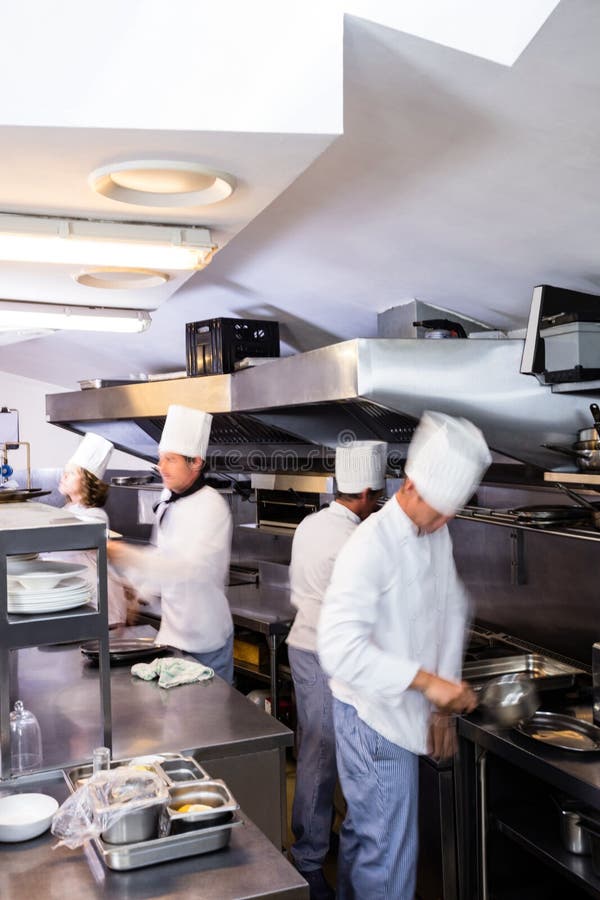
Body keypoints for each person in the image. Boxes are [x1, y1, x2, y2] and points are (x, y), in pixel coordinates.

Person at [318, 411, 492, 900]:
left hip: (399, 714)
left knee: (366, 843)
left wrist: (441, 703)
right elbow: (339, 648)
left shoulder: (433, 532)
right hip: (373, 721)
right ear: (410, 486)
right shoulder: (370, 545)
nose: (448, 519)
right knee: (389, 862)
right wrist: (425, 682)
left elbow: (451, 607)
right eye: (441, 507)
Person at [287, 441, 388, 900]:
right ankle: (308, 864)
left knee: (320, 751)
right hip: (326, 654)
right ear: (365, 493)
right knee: (322, 756)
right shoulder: (355, 540)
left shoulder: (311, 522)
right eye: (378, 496)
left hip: (306, 644)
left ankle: (318, 850)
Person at [107, 404, 234, 682]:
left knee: (210, 722)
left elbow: (186, 568)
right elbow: (161, 552)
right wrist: (139, 594)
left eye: (170, 460)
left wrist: (123, 553)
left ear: (196, 462)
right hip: (172, 636)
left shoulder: (211, 506)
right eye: (160, 458)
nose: (160, 467)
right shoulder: (168, 499)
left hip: (205, 640)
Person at [57, 432, 129, 626]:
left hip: (98, 598)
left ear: (87, 482)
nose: (63, 476)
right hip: (75, 598)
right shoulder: (66, 509)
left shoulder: (95, 515)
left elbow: (63, 538)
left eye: (71, 473)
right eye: (64, 471)